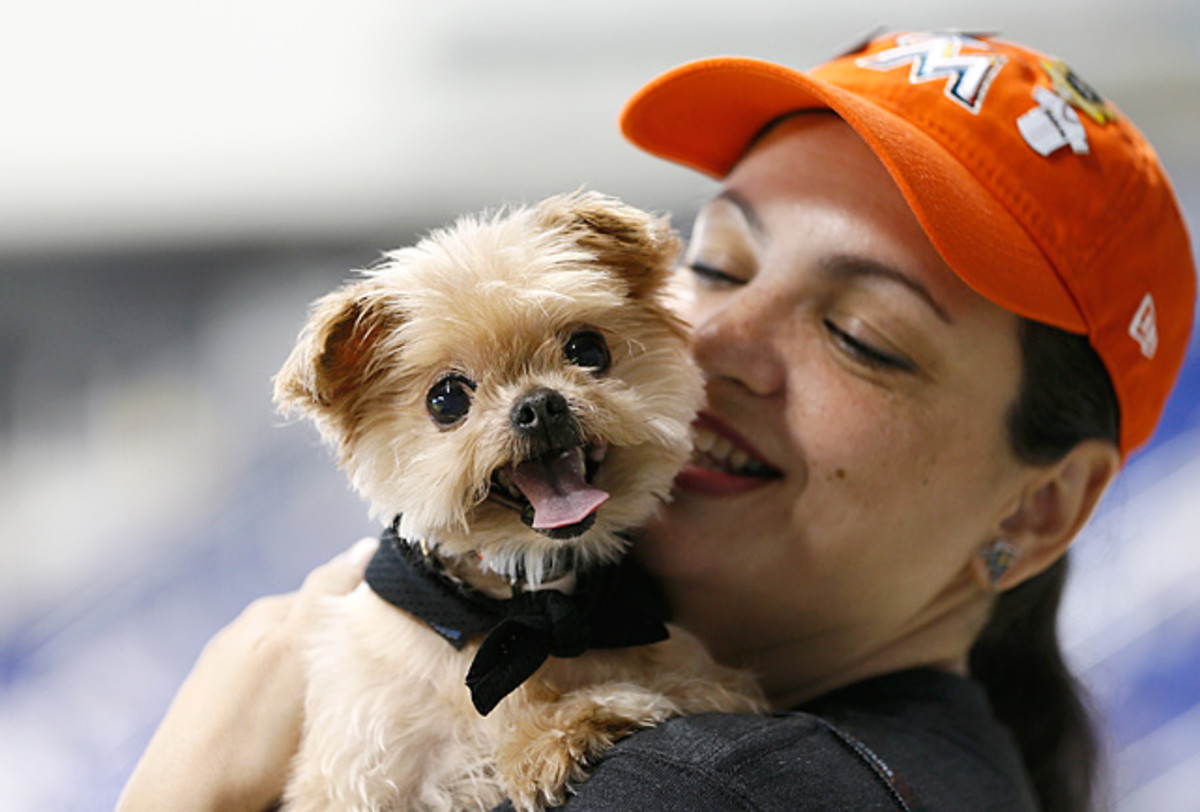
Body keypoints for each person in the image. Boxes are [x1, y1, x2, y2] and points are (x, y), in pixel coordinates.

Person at [118, 31, 1196, 812]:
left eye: (863, 332)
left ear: (1043, 502)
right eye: (716, 263)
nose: (715, 341)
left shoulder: (701, 782)